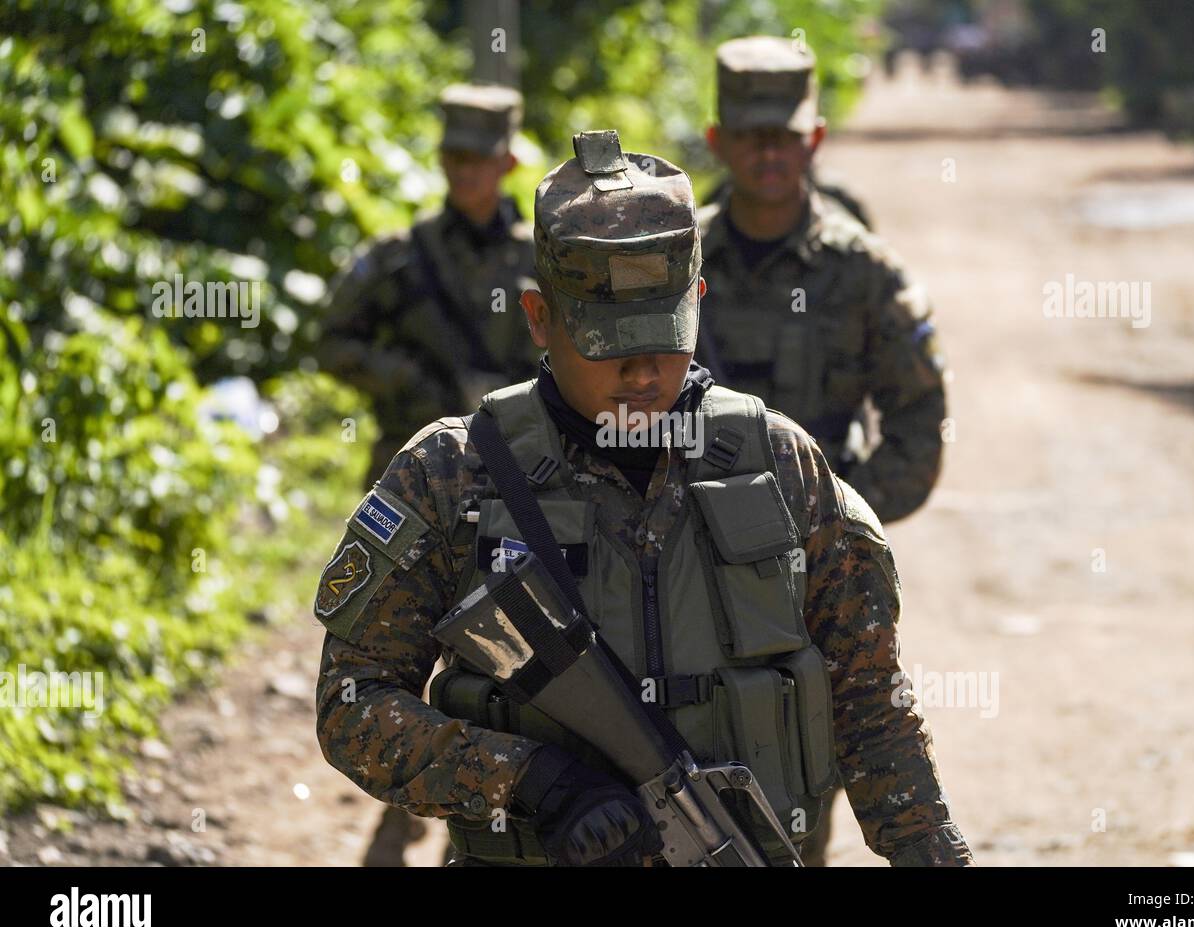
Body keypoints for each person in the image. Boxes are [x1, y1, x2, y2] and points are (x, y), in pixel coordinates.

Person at [312, 129, 973, 867]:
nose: (642, 373)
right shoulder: (450, 472)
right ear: (539, 317)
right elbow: (353, 703)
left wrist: (935, 854)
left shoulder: (781, 463)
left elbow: (871, 704)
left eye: (664, 335)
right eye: (606, 340)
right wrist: (530, 781)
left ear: (698, 298)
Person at [697, 36, 950, 865]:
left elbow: (918, 421)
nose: (769, 152)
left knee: (797, 807)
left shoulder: (863, 272)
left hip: (810, 593)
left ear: (815, 138)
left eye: (786, 135)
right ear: (717, 141)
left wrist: (839, 521)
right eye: (751, 134)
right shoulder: (671, 264)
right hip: (675, 570)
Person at [317, 81, 539, 866]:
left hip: (517, 490)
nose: (466, 172)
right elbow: (332, 339)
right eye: (454, 156)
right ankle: (405, 783)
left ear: (509, 160)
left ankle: (486, 804)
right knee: (392, 644)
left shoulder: (540, 258)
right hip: (413, 485)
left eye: (480, 158)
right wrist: (404, 382)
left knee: (500, 653)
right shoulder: (401, 258)